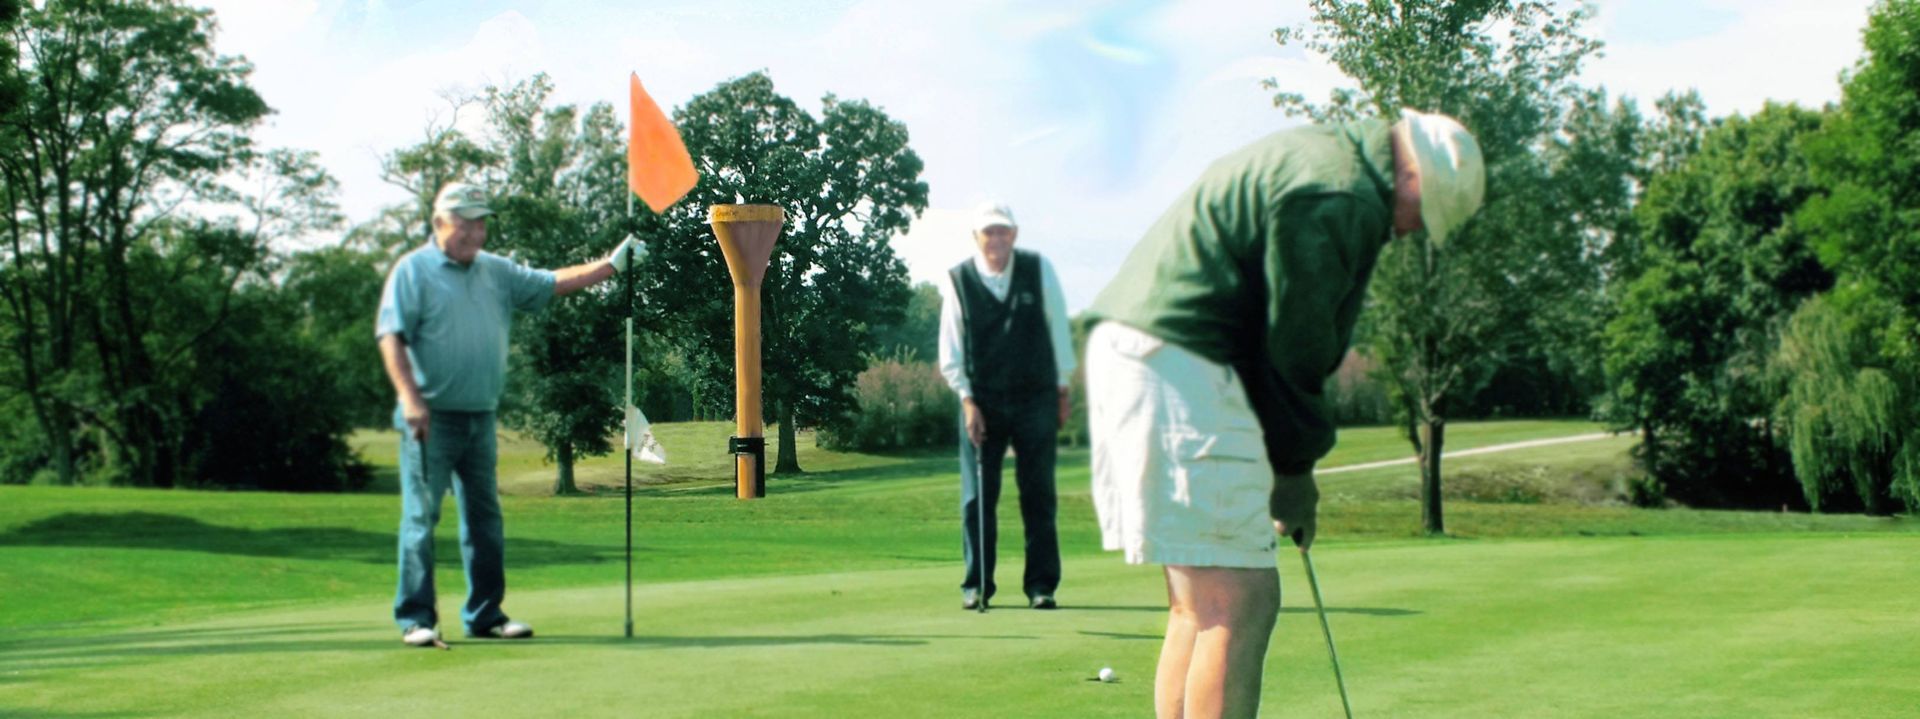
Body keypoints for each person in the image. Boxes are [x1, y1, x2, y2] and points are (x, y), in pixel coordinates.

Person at [1083, 110, 1484, 717]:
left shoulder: (1326, 157)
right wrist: (1293, 472)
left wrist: (1288, 464)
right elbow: (1294, 343)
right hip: (1185, 362)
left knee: (1198, 604)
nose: (1410, 233)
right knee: (1240, 601)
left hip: (1144, 357)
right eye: (1421, 217)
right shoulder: (1339, 191)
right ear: (1414, 179)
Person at [375, 181, 644, 648]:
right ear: (440, 222)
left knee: (485, 520)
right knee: (421, 518)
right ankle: (416, 619)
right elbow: (391, 337)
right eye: (467, 223)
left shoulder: (494, 271)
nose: (476, 233)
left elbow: (551, 282)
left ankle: (485, 615)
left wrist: (610, 267)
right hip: (430, 419)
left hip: (480, 416)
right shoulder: (412, 271)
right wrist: (412, 400)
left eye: (481, 223)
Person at [938, 202, 1075, 610]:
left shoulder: (1038, 269)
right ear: (976, 238)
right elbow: (952, 349)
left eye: (1003, 231)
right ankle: (977, 584)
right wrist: (966, 400)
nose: (996, 239)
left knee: (1038, 494)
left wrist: (1063, 389)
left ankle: (1041, 586)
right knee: (977, 497)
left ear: (1014, 234)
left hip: (1036, 396)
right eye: (988, 232)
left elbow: (1059, 329)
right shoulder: (959, 280)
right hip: (982, 400)